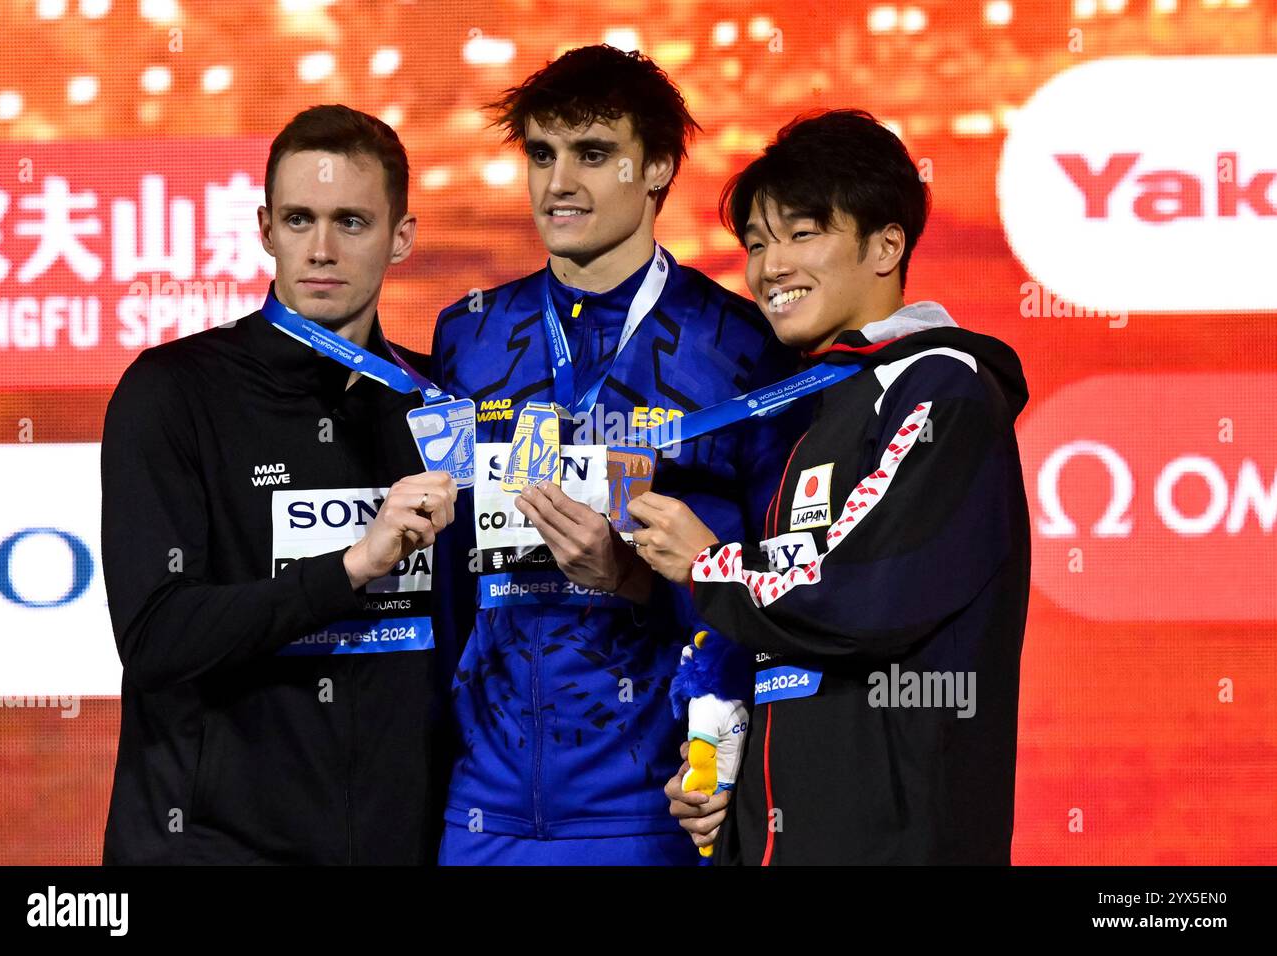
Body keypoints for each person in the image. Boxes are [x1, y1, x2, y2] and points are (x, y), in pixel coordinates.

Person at [431, 45, 801, 864]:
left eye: (593, 155)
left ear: (658, 166)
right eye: (541, 154)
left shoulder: (740, 347)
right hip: (480, 813)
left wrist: (633, 581)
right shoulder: (469, 334)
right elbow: (451, 573)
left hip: (655, 811)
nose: (559, 183)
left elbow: (771, 589)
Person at [630, 109, 1032, 864]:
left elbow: (861, 594)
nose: (769, 267)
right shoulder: (810, 406)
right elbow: (784, 651)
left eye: (802, 233)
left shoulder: (941, 388)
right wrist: (722, 774)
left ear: (887, 245)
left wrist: (708, 564)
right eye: (755, 243)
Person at [100, 104, 457, 864]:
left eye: (351, 223)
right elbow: (157, 637)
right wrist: (352, 568)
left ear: (402, 238)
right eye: (299, 220)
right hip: (209, 849)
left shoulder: (436, 406)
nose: (321, 250)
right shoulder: (173, 391)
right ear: (265, 230)